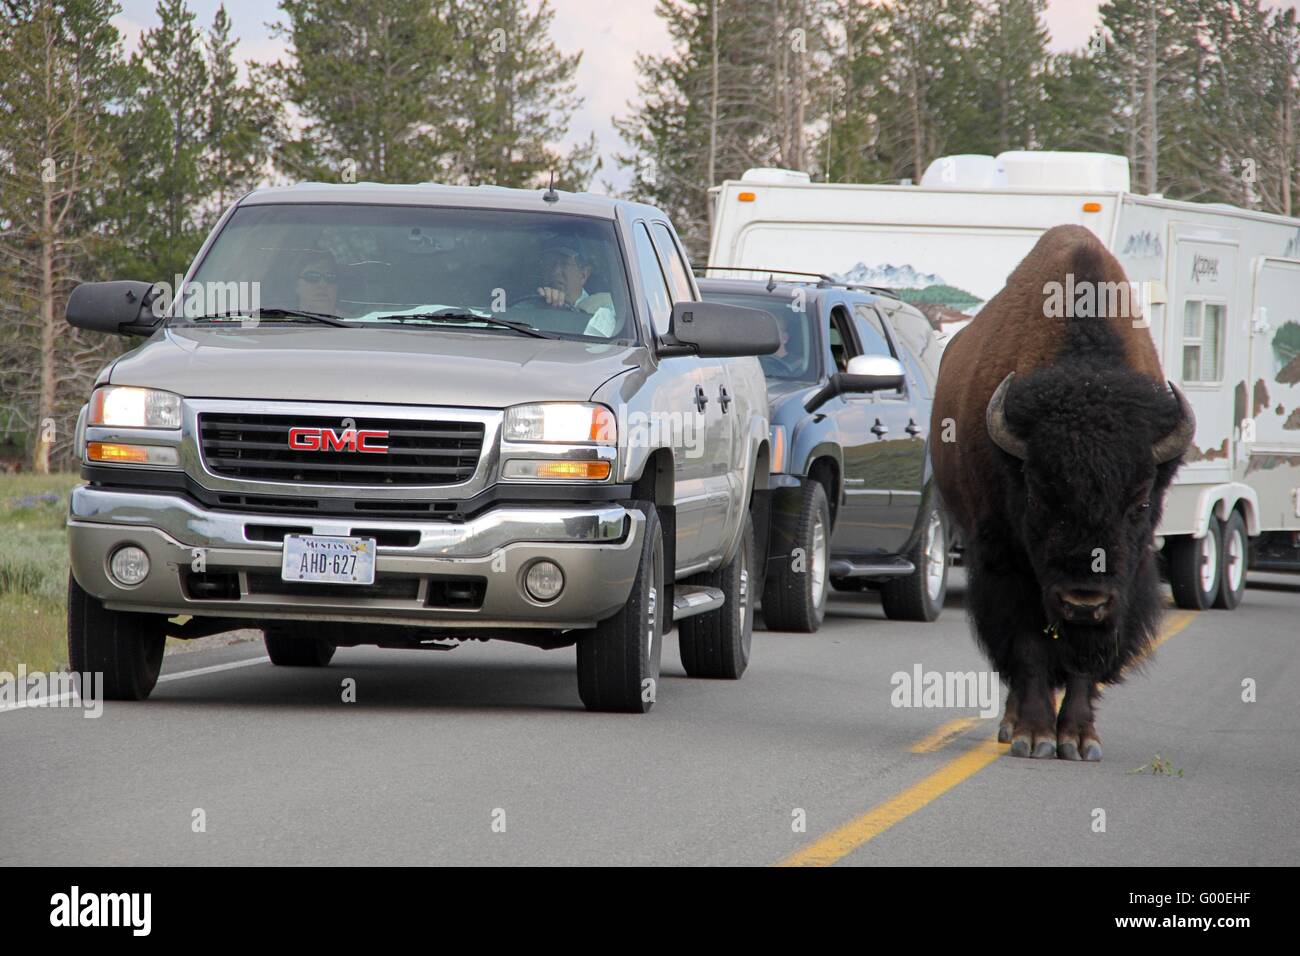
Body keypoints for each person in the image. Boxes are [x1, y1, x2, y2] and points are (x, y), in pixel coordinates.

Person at [535, 243, 618, 337]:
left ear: (583, 274)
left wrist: (561, 315)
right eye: (549, 263)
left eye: (564, 264)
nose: (555, 272)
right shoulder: (526, 307)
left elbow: (593, 349)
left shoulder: (602, 312)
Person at [293, 250, 340, 316]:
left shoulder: (354, 323)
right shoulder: (279, 324)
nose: (322, 284)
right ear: (296, 285)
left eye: (330, 277)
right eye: (312, 277)